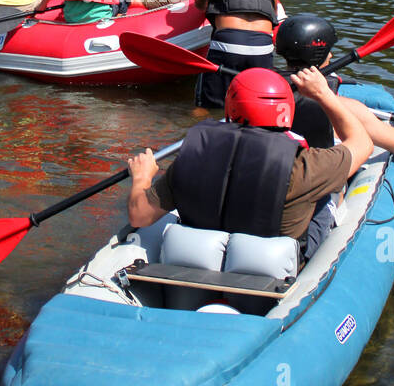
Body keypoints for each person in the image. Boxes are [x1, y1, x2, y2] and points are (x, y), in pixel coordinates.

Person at [128, 67, 373, 264]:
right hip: (276, 266)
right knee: (328, 192)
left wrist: (142, 177)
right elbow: (362, 143)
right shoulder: (305, 164)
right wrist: (323, 93)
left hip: (195, 259)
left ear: (231, 108)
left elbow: (139, 215)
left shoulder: (193, 153)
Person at [276, 15, 394, 154]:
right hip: (321, 179)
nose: (331, 55)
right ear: (321, 53)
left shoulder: (266, 90)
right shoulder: (343, 106)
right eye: (329, 50)